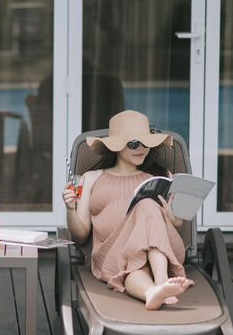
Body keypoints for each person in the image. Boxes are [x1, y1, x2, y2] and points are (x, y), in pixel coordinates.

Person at [62, 110, 194, 310]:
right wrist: (71, 209)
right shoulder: (90, 178)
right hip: (114, 254)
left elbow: (179, 224)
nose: (141, 148)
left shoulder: (161, 175)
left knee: (147, 205)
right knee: (133, 269)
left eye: (145, 143)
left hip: (163, 249)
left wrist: (170, 216)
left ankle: (161, 281)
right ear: (116, 147)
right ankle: (153, 293)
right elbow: (81, 237)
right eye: (133, 143)